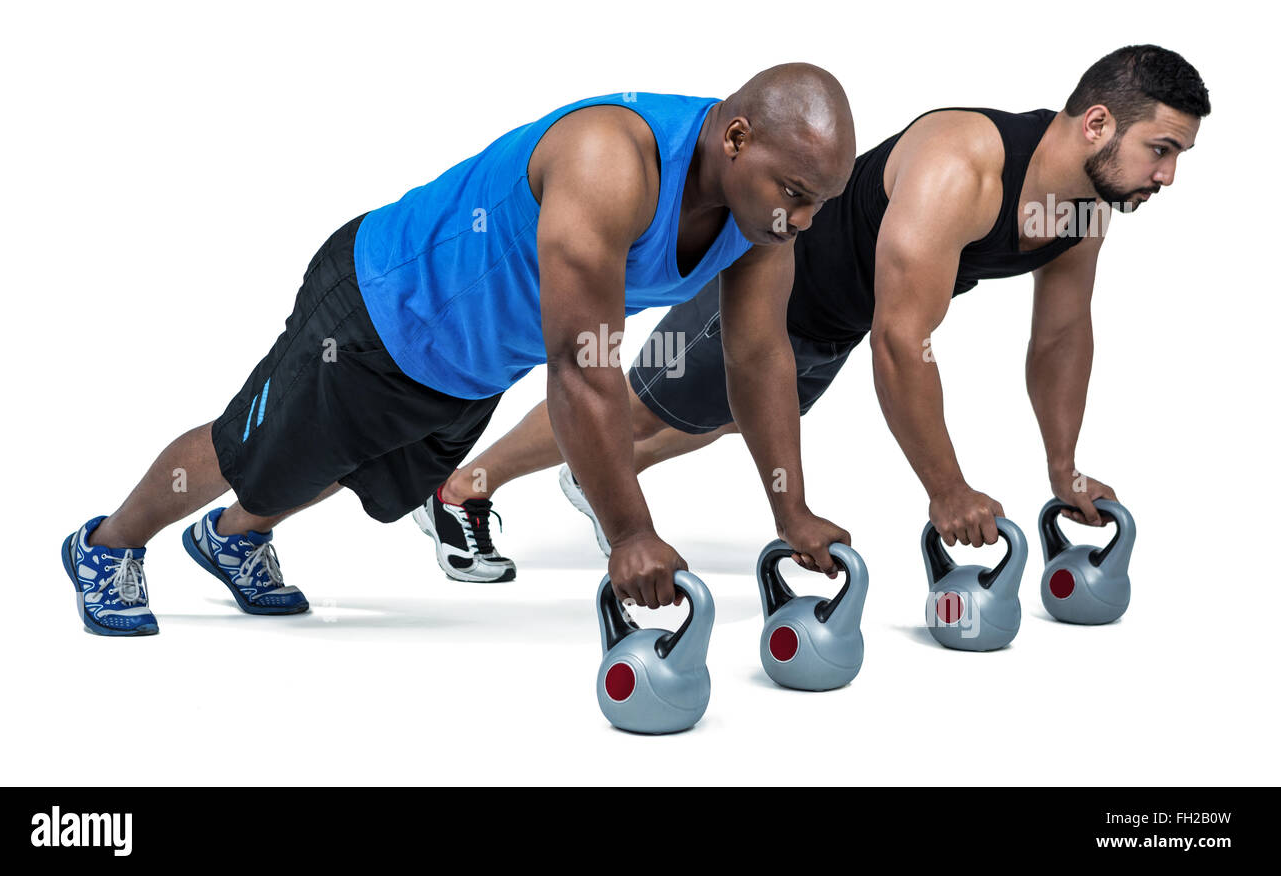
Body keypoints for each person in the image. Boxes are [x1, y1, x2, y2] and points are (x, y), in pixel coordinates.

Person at [62, 64, 857, 636]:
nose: (805, 220)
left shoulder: (765, 224)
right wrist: (628, 534)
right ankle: (106, 545)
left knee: (345, 462)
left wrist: (792, 512)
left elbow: (759, 360)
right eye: (794, 193)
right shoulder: (611, 161)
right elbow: (585, 368)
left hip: (471, 363)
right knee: (249, 447)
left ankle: (232, 539)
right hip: (381, 307)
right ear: (737, 138)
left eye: (820, 203)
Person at [444, 45, 1209, 571]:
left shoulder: (1083, 210)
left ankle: (596, 477)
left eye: (1178, 157)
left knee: (705, 421)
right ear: (1099, 124)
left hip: (827, 334)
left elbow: (1062, 338)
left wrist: (1064, 470)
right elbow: (903, 341)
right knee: (638, 407)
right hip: (768, 292)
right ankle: (463, 488)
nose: (1168, 177)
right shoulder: (963, 165)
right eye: (1162, 149)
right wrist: (947, 490)